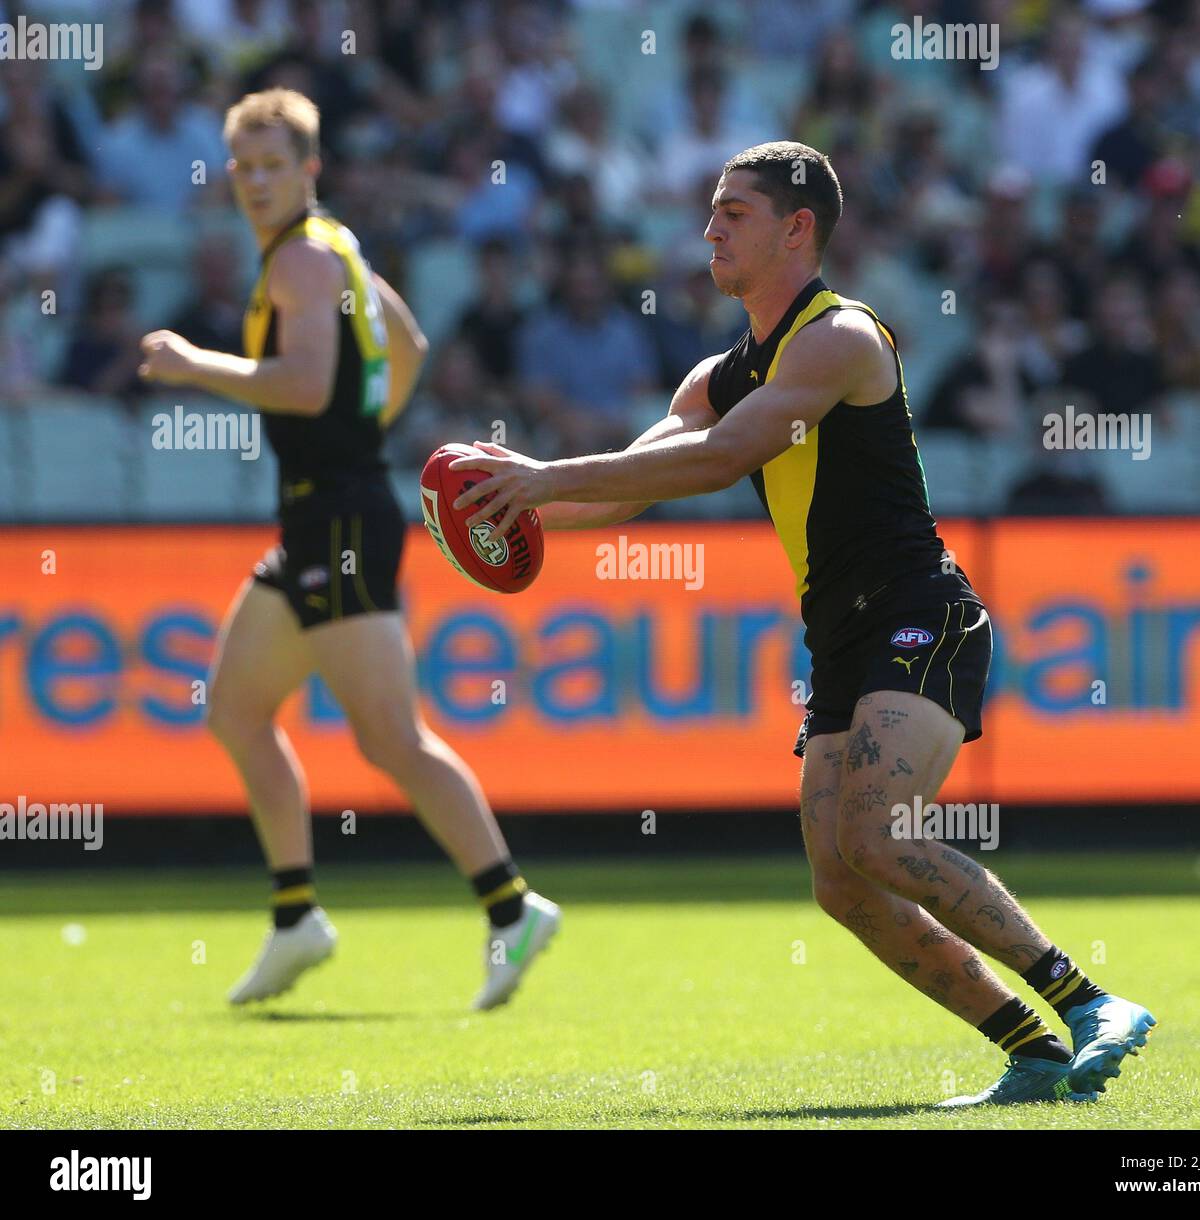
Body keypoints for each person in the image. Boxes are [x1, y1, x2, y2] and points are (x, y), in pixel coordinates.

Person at [450, 141, 1155, 1106]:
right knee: (841, 881)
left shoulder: (842, 338)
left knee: (876, 834)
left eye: (732, 212)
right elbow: (627, 485)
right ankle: (1031, 1049)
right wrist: (504, 505)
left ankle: (1088, 1003)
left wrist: (543, 480)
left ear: (797, 228)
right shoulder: (715, 374)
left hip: (922, 615)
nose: (708, 230)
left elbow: (721, 458)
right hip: (842, 642)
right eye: (710, 210)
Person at [138, 88, 558, 1011]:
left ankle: (511, 907)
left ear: (309, 169)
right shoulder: (336, 248)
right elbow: (404, 342)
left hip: (336, 518)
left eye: (272, 166)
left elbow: (303, 380)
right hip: (326, 514)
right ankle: (297, 918)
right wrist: (361, 431)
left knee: (390, 740)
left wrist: (190, 363)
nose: (254, 183)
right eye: (243, 167)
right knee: (238, 710)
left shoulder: (298, 261)